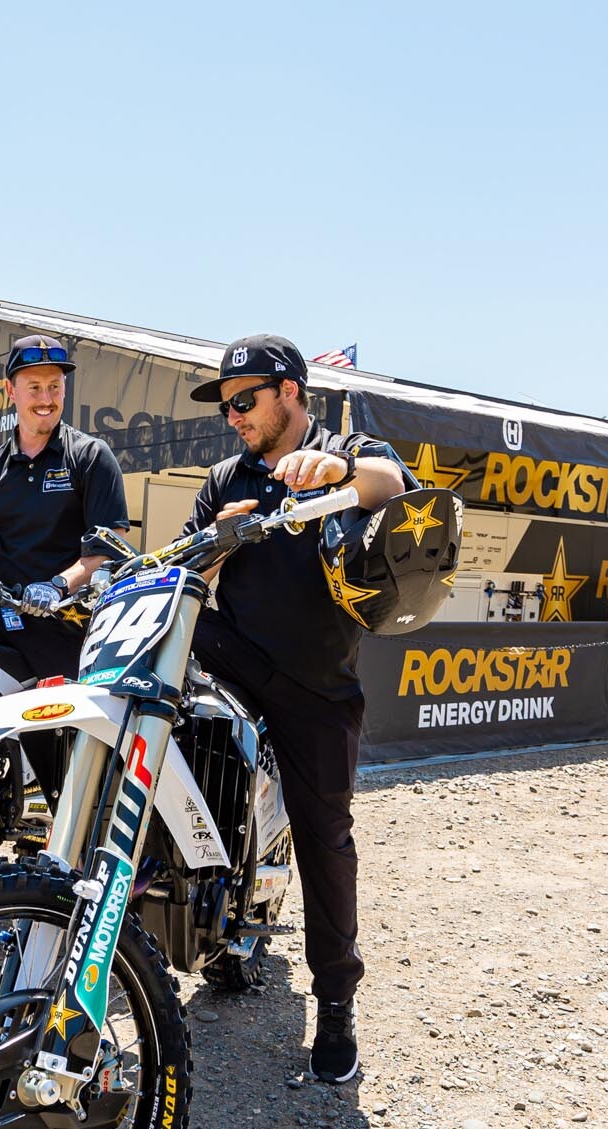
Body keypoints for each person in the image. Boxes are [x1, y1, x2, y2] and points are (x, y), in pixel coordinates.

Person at [182, 334, 411, 1085]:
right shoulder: (226, 475)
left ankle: (337, 1002)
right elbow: (186, 563)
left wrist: (340, 470)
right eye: (227, 408)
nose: (235, 417)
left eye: (245, 401)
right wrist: (214, 542)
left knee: (326, 840)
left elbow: (393, 485)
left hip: (318, 683)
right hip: (234, 664)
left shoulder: (347, 448)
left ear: (290, 392)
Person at [0, 334, 130, 682]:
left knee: (56, 735)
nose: (46, 399)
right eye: (34, 387)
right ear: (10, 391)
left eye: (55, 386)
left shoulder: (91, 456)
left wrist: (57, 586)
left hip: (73, 635)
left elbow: (109, 547)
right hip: (6, 634)